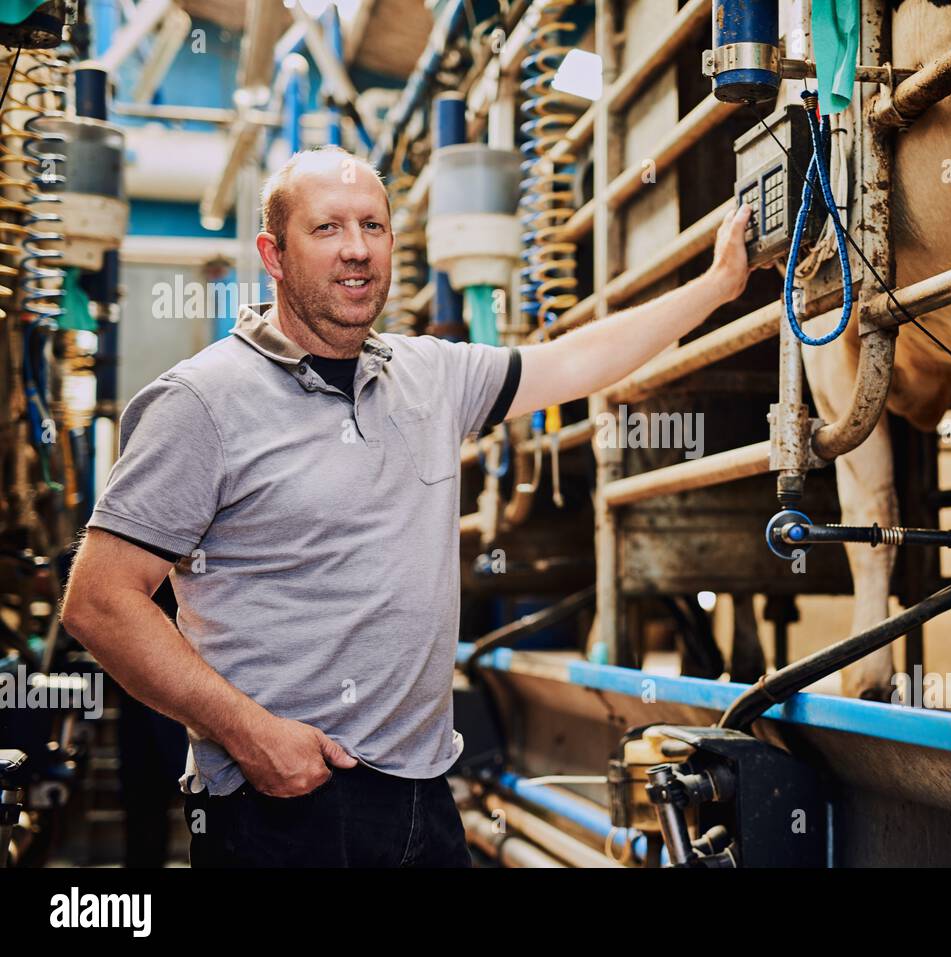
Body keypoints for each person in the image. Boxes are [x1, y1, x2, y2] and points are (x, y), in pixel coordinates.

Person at [59, 145, 752, 867]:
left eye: (373, 226)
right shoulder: (201, 401)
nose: (357, 250)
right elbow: (100, 601)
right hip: (282, 802)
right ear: (273, 252)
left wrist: (716, 287)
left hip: (423, 796)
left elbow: (577, 361)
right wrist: (249, 733)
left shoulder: (428, 375)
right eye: (327, 229)